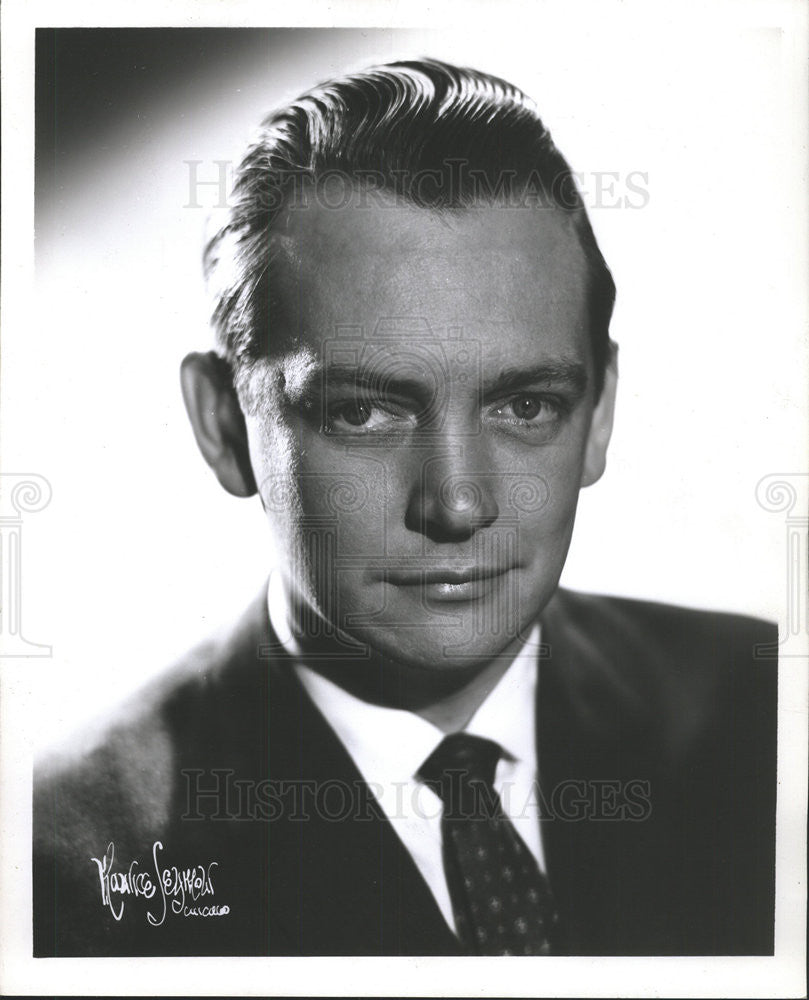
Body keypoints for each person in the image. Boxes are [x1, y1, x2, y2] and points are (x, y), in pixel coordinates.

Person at [33, 58, 777, 958]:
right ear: (224, 425)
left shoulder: (765, 719)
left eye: (525, 405)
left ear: (600, 413)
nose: (457, 504)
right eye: (362, 412)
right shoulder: (57, 872)